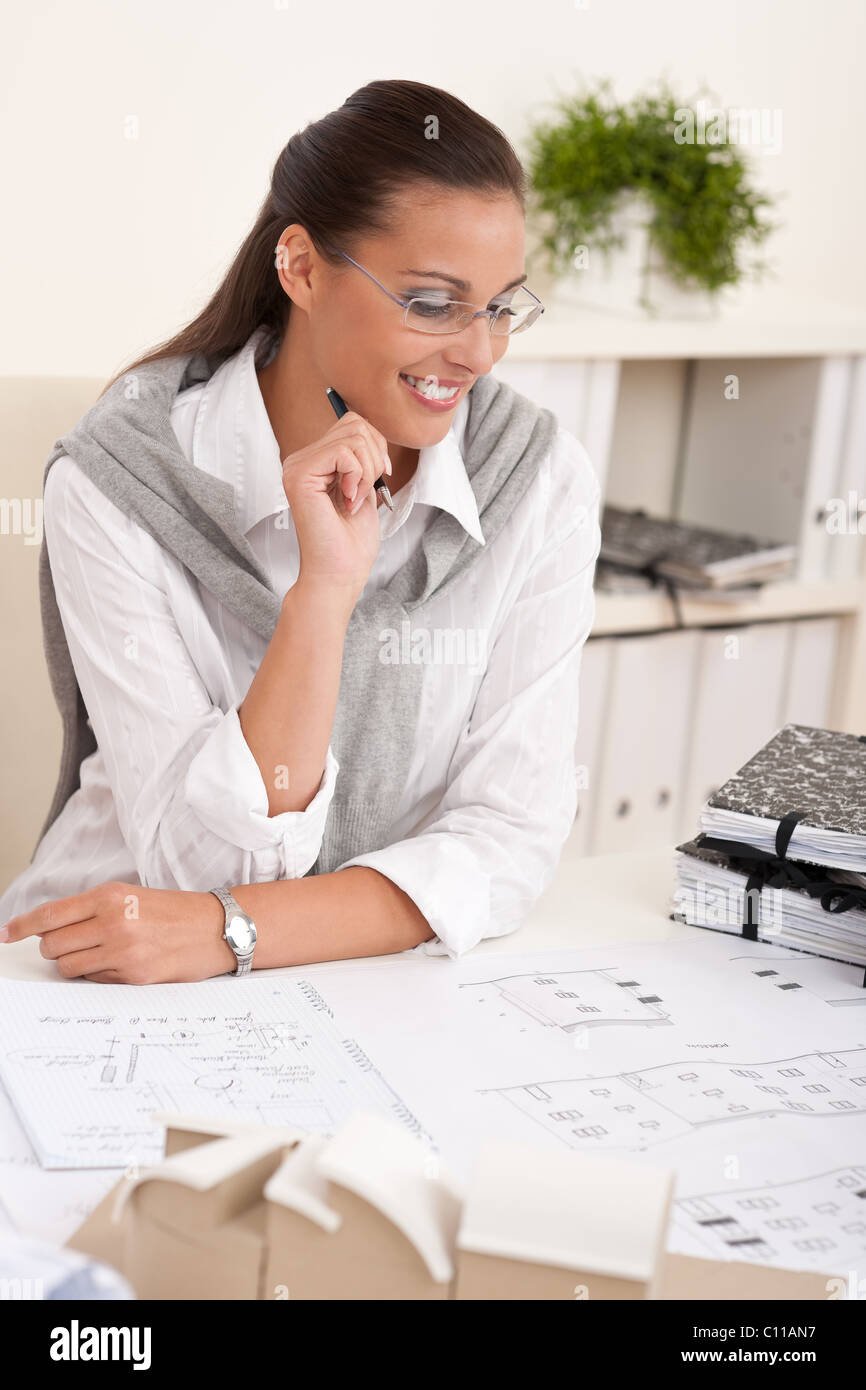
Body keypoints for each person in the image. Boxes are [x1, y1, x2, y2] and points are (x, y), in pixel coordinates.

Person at [0, 78, 601, 982]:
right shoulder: (119, 481)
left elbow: (509, 838)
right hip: (110, 973)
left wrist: (229, 932)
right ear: (303, 268)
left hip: (363, 986)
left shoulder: (537, 478)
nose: (478, 354)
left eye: (502, 306)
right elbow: (202, 869)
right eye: (433, 304)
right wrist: (323, 595)